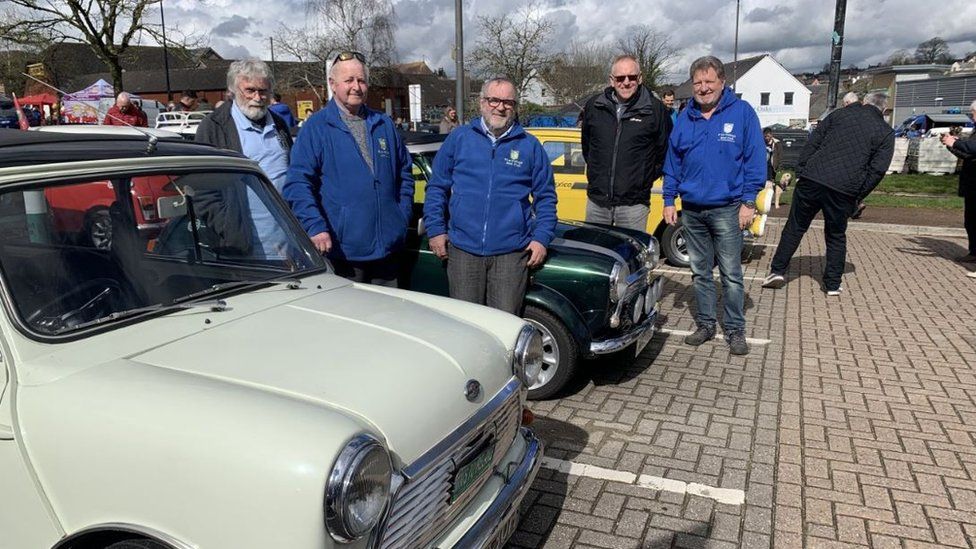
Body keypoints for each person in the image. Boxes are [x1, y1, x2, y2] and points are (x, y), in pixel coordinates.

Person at [423, 77, 558, 315]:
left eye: (507, 101)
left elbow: (545, 197)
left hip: (510, 254)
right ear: (482, 102)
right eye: (494, 100)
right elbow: (437, 187)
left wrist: (541, 238)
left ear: (515, 107)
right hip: (463, 252)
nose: (500, 107)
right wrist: (436, 230)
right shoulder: (460, 138)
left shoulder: (530, 146)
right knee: (466, 325)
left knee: (504, 326)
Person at [662, 56, 766, 355]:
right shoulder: (685, 117)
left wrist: (748, 202)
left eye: (709, 82)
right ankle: (706, 324)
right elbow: (673, 162)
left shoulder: (742, 113)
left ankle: (735, 330)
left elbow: (755, 162)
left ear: (722, 82)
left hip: (728, 208)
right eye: (698, 83)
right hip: (692, 209)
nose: (703, 88)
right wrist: (669, 199)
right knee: (700, 271)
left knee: (732, 273)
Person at [284, 51, 414, 287]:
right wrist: (315, 226)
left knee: (388, 320)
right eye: (349, 80)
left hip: (387, 251)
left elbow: (405, 174)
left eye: (361, 80)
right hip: (343, 253)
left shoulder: (384, 123)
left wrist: (400, 216)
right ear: (333, 85)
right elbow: (297, 184)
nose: (357, 87)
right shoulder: (317, 127)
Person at [762, 92, 895, 296]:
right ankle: (832, 283)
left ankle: (777, 271)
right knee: (835, 235)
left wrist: (802, 170)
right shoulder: (885, 132)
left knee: (795, 227)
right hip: (845, 188)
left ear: (864, 102)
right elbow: (877, 170)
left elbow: (813, 142)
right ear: (884, 110)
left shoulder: (838, 115)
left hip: (813, 178)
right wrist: (858, 194)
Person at [195, 58, 294, 257]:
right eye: (250, 90)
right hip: (243, 249)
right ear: (232, 91)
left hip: (288, 245)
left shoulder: (279, 125)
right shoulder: (214, 127)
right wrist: (228, 227)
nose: (258, 97)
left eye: (263, 91)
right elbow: (202, 190)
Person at [581, 54, 672, 231]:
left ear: (640, 78)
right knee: (597, 255)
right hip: (598, 202)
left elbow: (664, 151)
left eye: (632, 77)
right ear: (612, 80)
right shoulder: (594, 106)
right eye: (621, 78)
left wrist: (642, 179)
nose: (626, 82)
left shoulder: (654, 109)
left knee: (630, 255)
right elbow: (588, 147)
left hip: (634, 205)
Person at [941, 99, 976, 270]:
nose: (972, 116)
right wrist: (951, 145)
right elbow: (967, 154)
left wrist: (955, 142)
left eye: (974, 113)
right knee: (970, 220)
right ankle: (973, 252)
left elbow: (973, 148)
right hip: (971, 183)